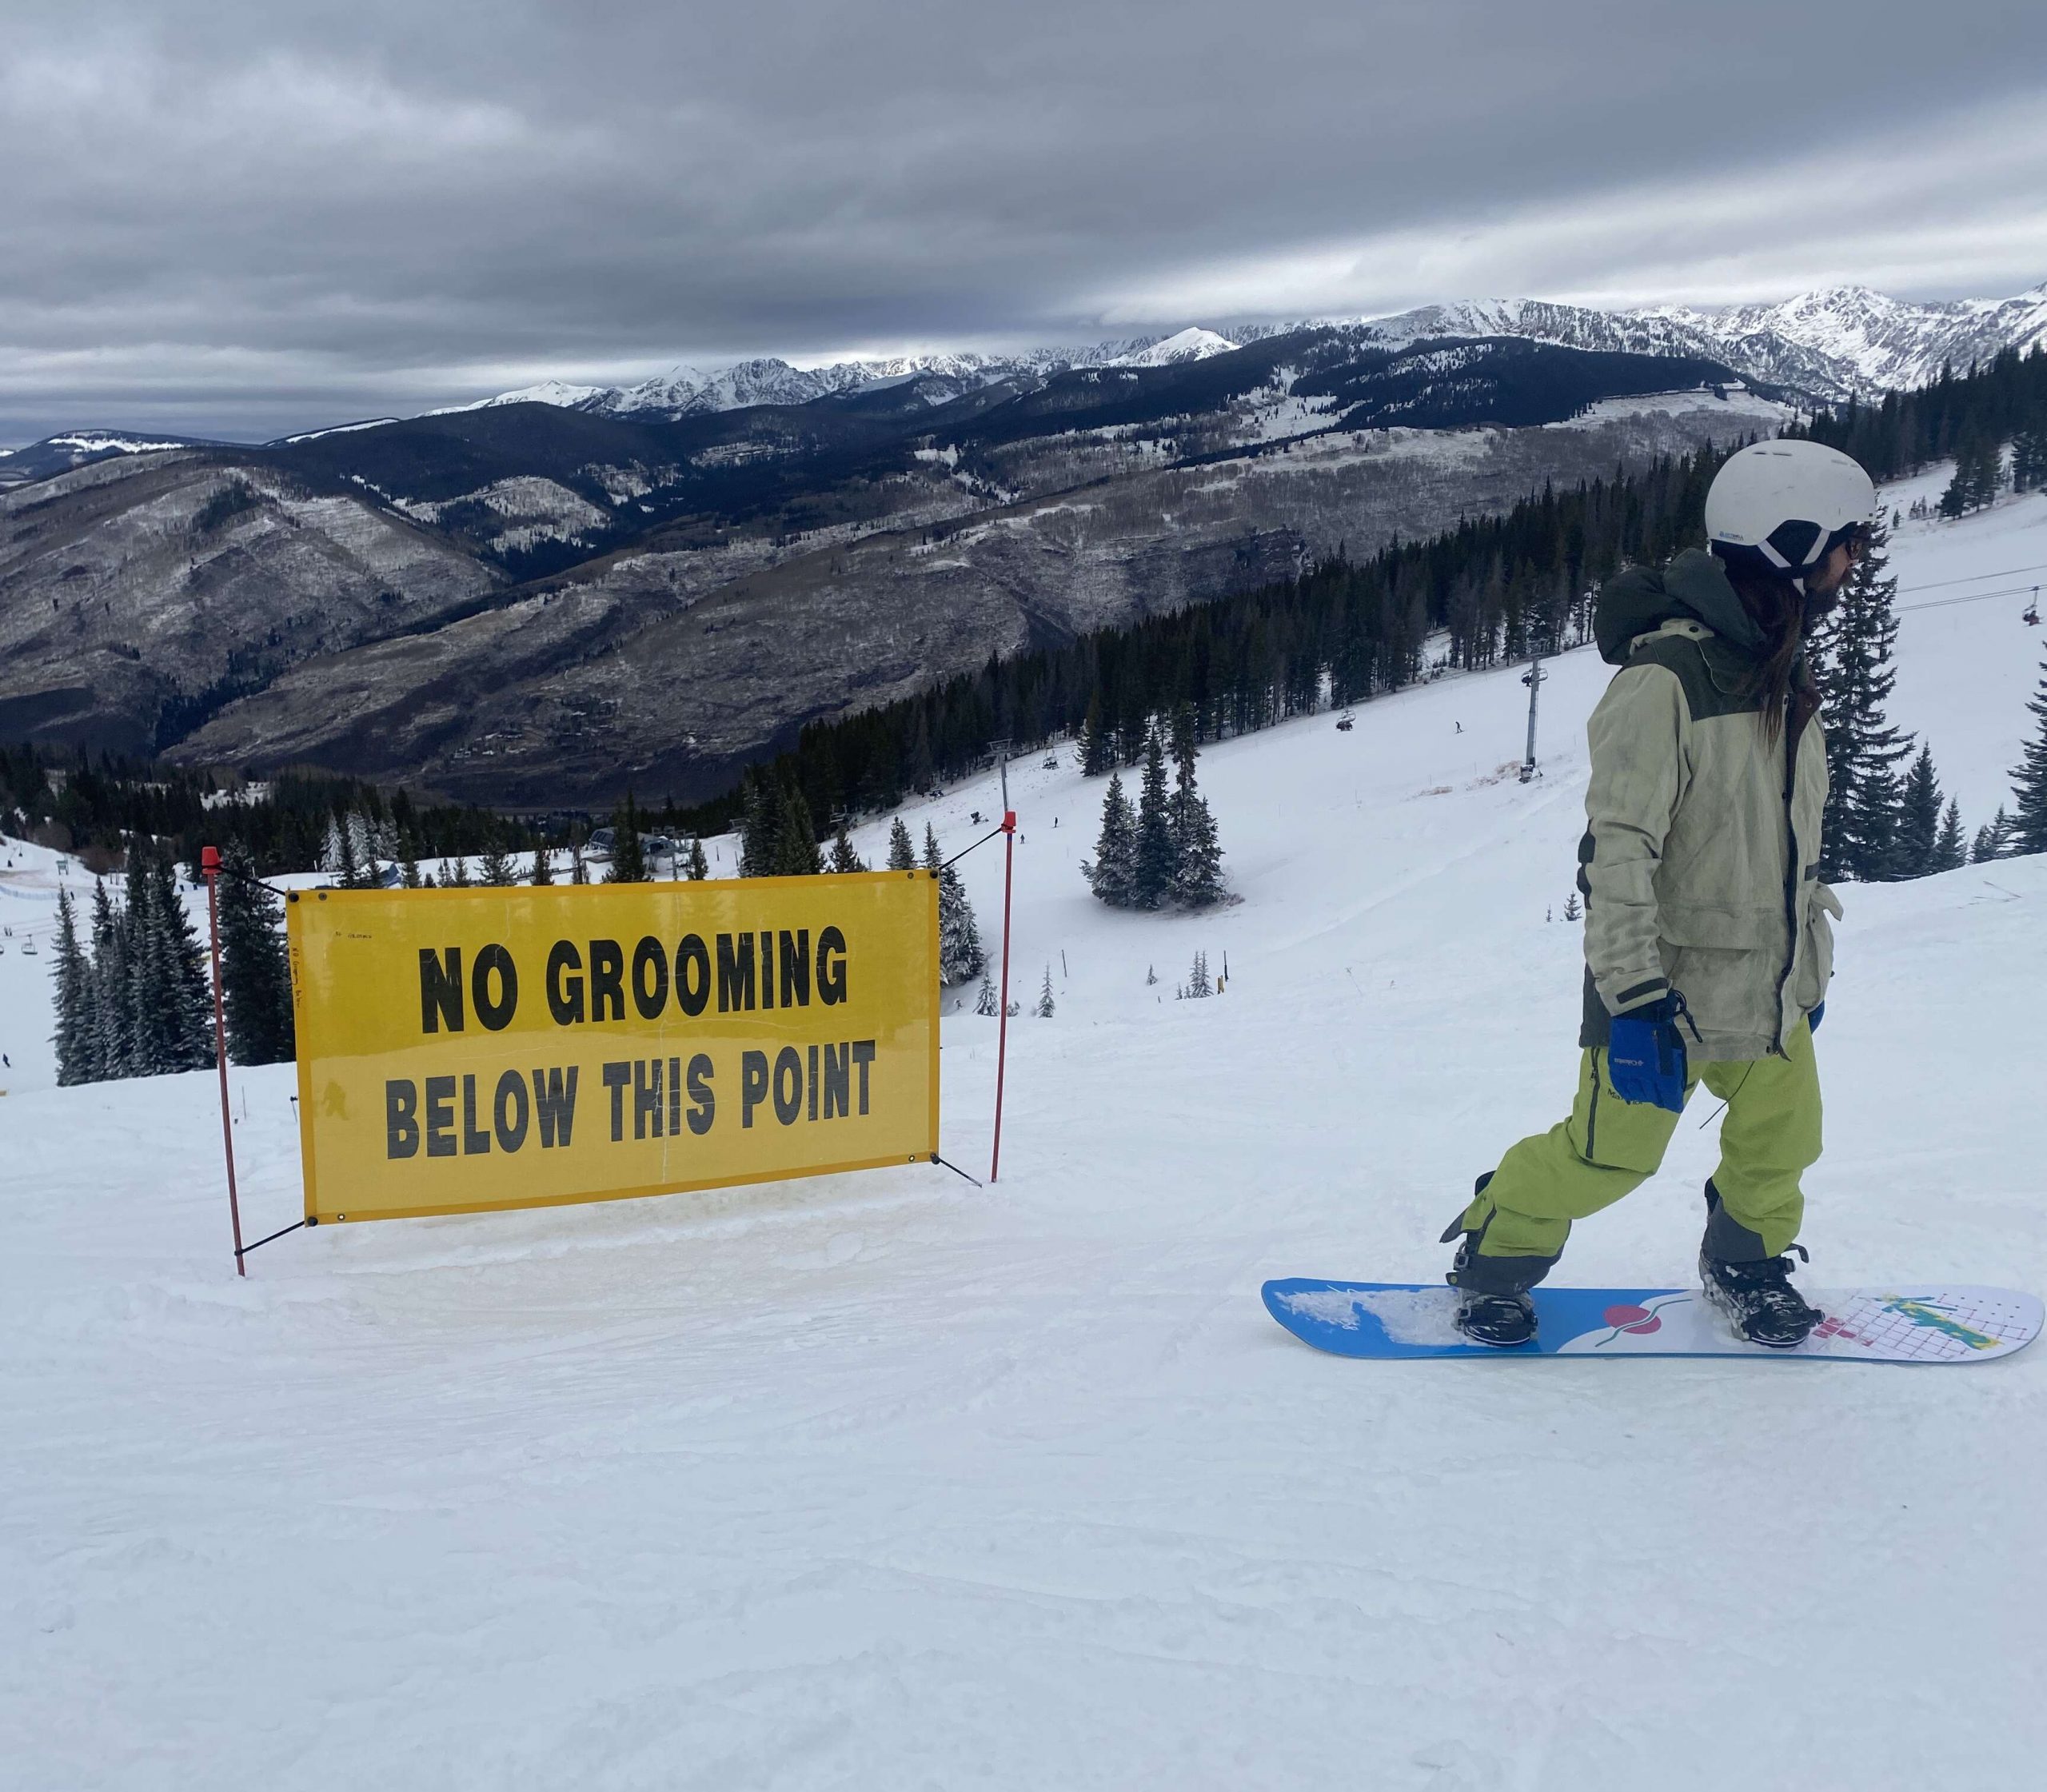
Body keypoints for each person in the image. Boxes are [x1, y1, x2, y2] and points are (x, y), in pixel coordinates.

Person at [1442, 440, 1875, 1348]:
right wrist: (1634, 998)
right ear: (1789, 541)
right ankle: (1495, 1252)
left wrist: (1806, 972)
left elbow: (1783, 848)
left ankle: (1744, 1265)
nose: (1852, 564)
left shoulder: (1779, 671)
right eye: (1843, 543)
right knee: (1608, 1158)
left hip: (1769, 987)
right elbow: (1618, 852)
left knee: (1780, 1143)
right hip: (1660, 987)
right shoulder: (1663, 681)